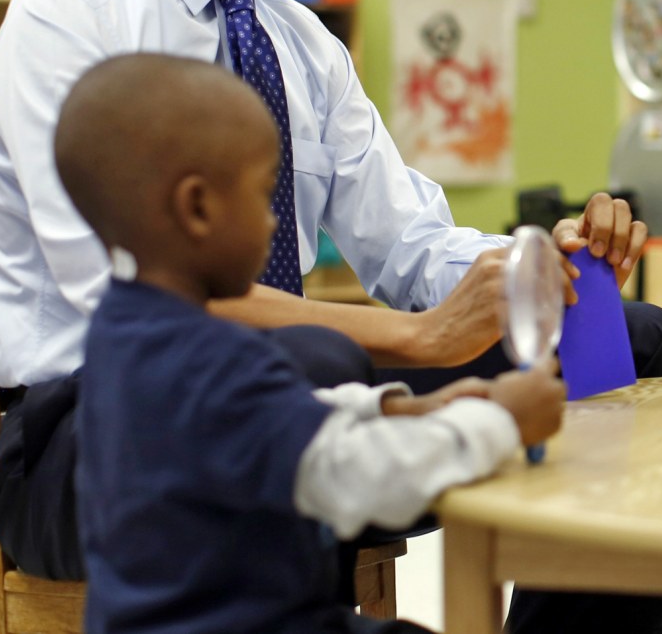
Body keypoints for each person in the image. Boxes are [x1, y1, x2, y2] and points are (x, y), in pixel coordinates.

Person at [0, 0, 662, 632]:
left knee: (639, 341)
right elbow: (126, 303)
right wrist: (421, 342)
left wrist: (527, 271)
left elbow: (411, 242)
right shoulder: (68, 17)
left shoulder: (297, 37)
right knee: (317, 354)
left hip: (285, 391)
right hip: (100, 427)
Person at [55, 51, 566, 634]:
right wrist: (500, 424)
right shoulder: (205, 360)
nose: (275, 223)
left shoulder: (129, 331)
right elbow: (356, 476)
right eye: (261, 195)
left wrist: (403, 408)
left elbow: (270, 416)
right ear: (197, 207)